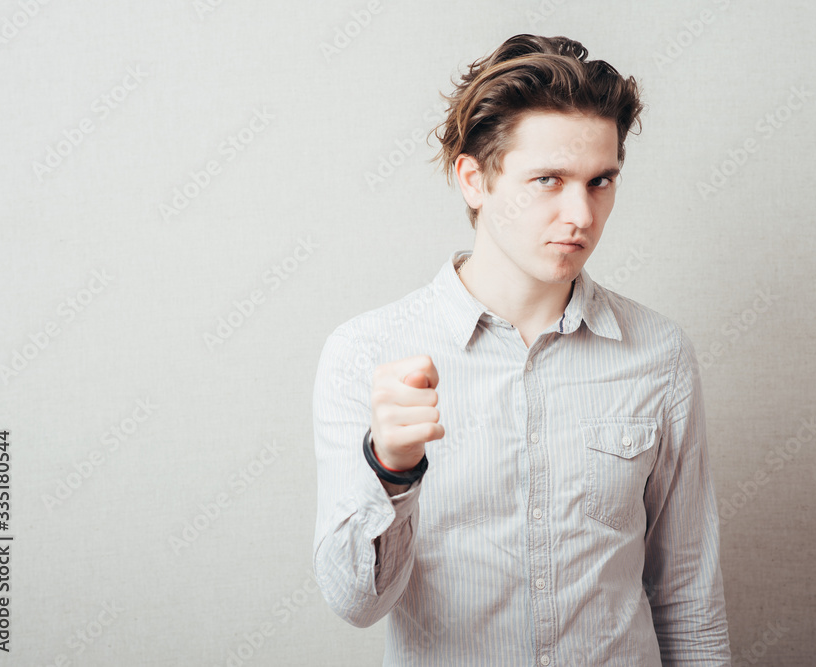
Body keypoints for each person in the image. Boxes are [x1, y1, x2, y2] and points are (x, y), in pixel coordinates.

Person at [313, 33, 731, 666]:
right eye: (548, 180)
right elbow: (355, 603)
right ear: (474, 180)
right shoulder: (367, 352)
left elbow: (688, 595)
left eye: (600, 181)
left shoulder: (660, 354)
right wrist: (391, 469)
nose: (581, 214)